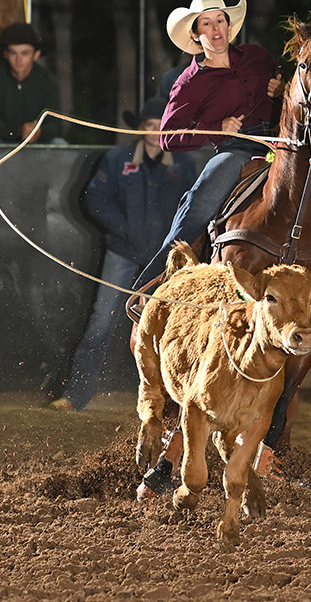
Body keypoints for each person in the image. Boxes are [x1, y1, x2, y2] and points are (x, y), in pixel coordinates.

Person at [133, 0, 311, 308]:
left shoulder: (257, 57)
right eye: (206, 24)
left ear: (229, 26)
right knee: (199, 203)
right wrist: (217, 128)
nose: (216, 29)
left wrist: (281, 89)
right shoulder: (188, 83)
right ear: (195, 34)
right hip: (236, 150)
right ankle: (155, 286)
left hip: (287, 147)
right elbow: (168, 138)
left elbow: (293, 96)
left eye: (220, 21)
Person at [50, 96, 197, 411]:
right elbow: (96, 198)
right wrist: (123, 229)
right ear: (141, 129)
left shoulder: (183, 164)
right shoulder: (118, 160)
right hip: (123, 252)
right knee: (101, 321)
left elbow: (194, 206)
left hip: (165, 261)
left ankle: (173, 402)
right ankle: (75, 396)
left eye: (162, 126)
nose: (156, 132)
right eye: (150, 126)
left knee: (172, 329)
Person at [0, 22, 63, 144]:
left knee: (60, 144)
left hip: (39, 142)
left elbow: (56, 125)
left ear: (36, 55)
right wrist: (19, 131)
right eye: (13, 53)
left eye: (25, 53)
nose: (18, 59)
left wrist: (39, 131)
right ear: (6, 54)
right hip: (4, 141)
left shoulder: (46, 80)